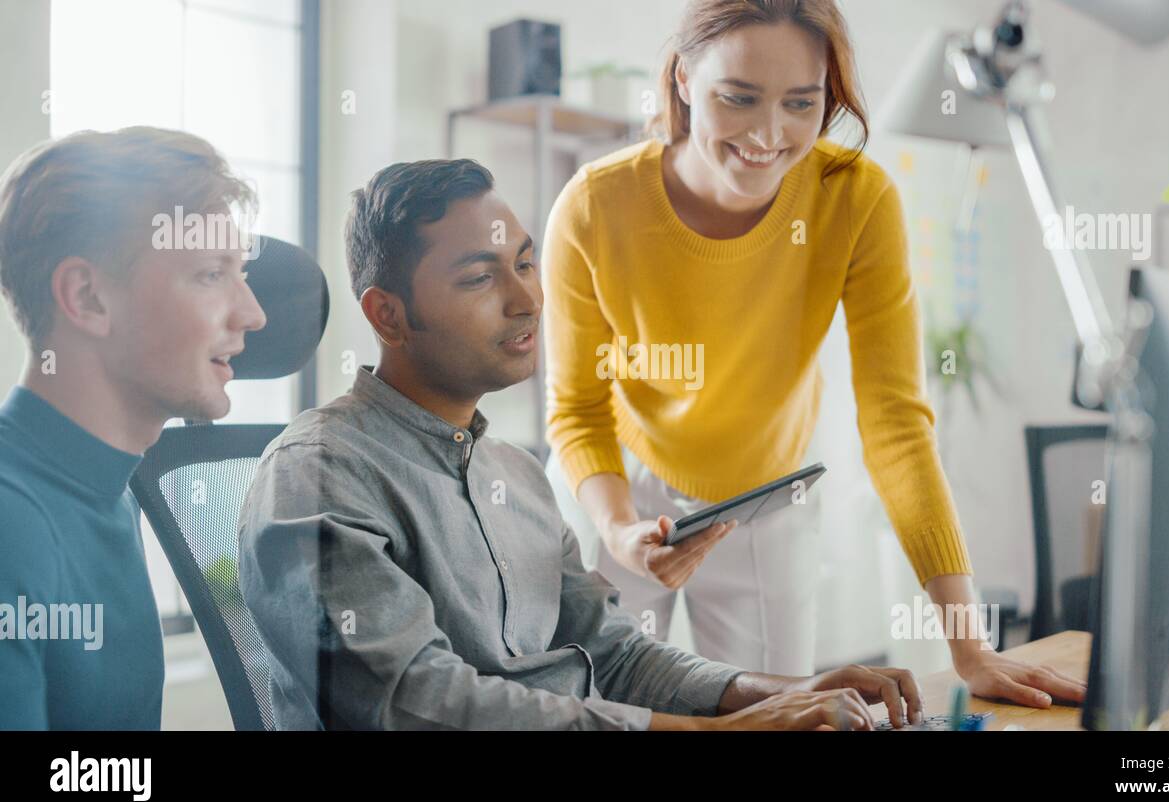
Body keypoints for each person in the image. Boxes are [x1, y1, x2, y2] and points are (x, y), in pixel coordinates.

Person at [238, 158, 924, 730]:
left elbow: (615, 654)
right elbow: (414, 701)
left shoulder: (517, 475)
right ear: (388, 314)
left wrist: (775, 691)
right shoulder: (319, 473)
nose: (527, 298)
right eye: (480, 277)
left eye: (526, 263)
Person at [542, 0, 1085, 706]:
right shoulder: (594, 206)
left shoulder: (855, 201)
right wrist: (619, 530)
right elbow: (579, 411)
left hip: (767, 498)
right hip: (623, 488)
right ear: (681, 79)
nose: (770, 135)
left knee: (777, 717)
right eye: (738, 98)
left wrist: (970, 644)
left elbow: (896, 424)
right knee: (603, 710)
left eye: (803, 103)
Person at [0, 127, 267, 729]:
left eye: (240, 272)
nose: (252, 313)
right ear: (89, 297)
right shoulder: (10, 524)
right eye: (209, 274)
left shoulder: (106, 487)